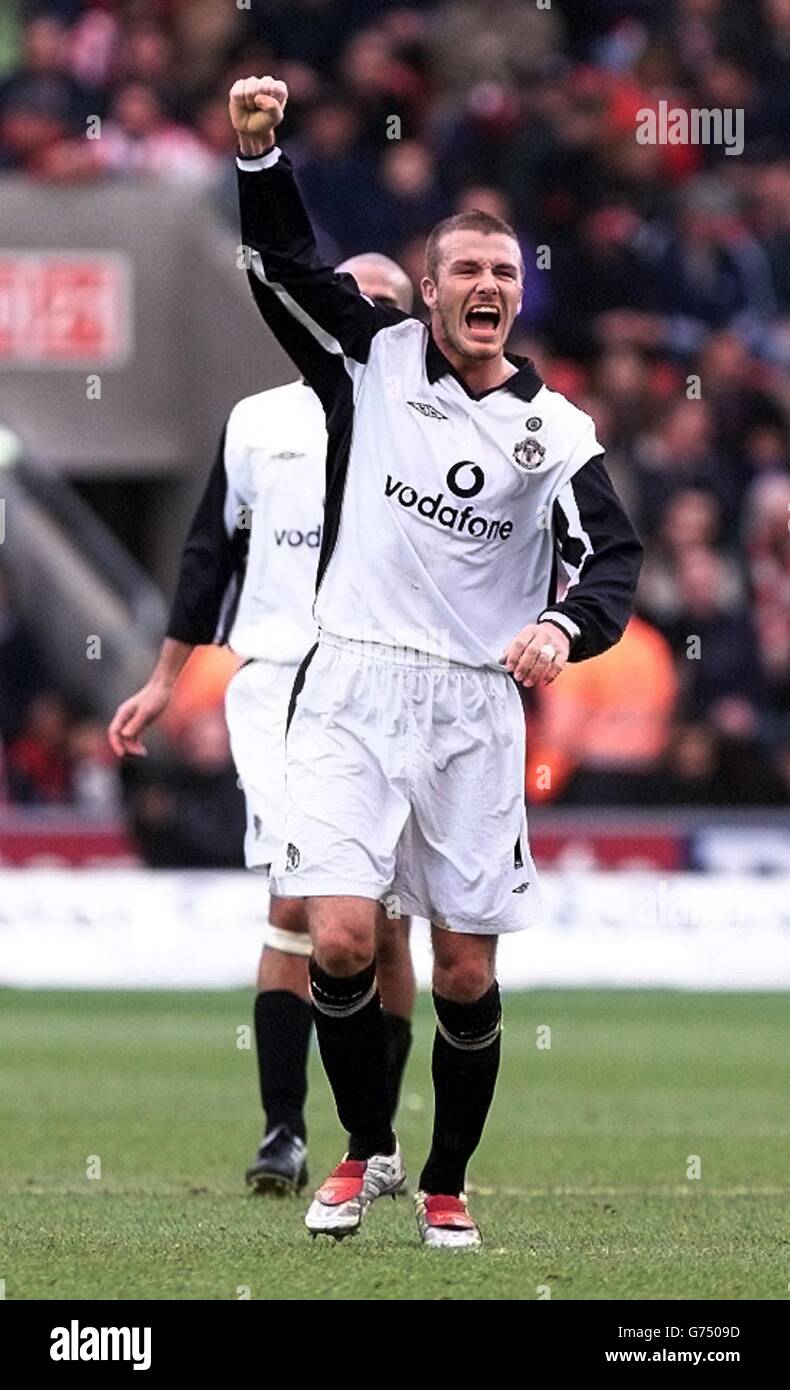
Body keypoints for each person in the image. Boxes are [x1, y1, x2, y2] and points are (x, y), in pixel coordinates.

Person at [229, 74, 642, 1248]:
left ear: (519, 299)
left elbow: (611, 555)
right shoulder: (372, 361)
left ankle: (450, 1178)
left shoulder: (551, 429)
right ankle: (363, 1151)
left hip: (472, 708)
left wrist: (562, 626)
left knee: (463, 968)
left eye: (506, 275)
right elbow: (285, 273)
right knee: (344, 936)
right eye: (468, 269)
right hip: (353, 684)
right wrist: (260, 159)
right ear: (427, 286)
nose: (488, 288)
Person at [108, 249, 416, 1195]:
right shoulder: (258, 422)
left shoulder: (427, 424)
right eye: (348, 292)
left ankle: (376, 1139)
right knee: (300, 902)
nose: (359, 308)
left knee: (388, 924)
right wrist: (165, 679)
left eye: (385, 302)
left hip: (398, 686)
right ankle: (284, 1129)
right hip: (280, 683)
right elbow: (210, 553)